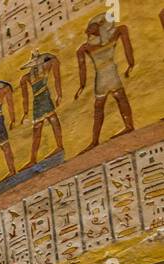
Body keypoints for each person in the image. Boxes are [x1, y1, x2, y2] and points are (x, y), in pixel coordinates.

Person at [76, 15, 134, 148]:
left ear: (100, 26)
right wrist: (82, 85)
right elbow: (81, 65)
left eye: (92, 27)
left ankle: (128, 126)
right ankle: (95, 140)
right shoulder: (88, 46)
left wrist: (131, 63)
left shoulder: (108, 38)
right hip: (102, 77)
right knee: (99, 107)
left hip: (109, 74)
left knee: (120, 99)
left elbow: (123, 30)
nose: (88, 30)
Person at [20, 49, 64, 165]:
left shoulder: (45, 68)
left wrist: (59, 94)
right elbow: (25, 97)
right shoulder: (26, 78)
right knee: (37, 129)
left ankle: (59, 146)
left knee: (53, 120)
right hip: (37, 102)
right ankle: (33, 159)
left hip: (44, 97)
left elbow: (56, 74)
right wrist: (25, 112)